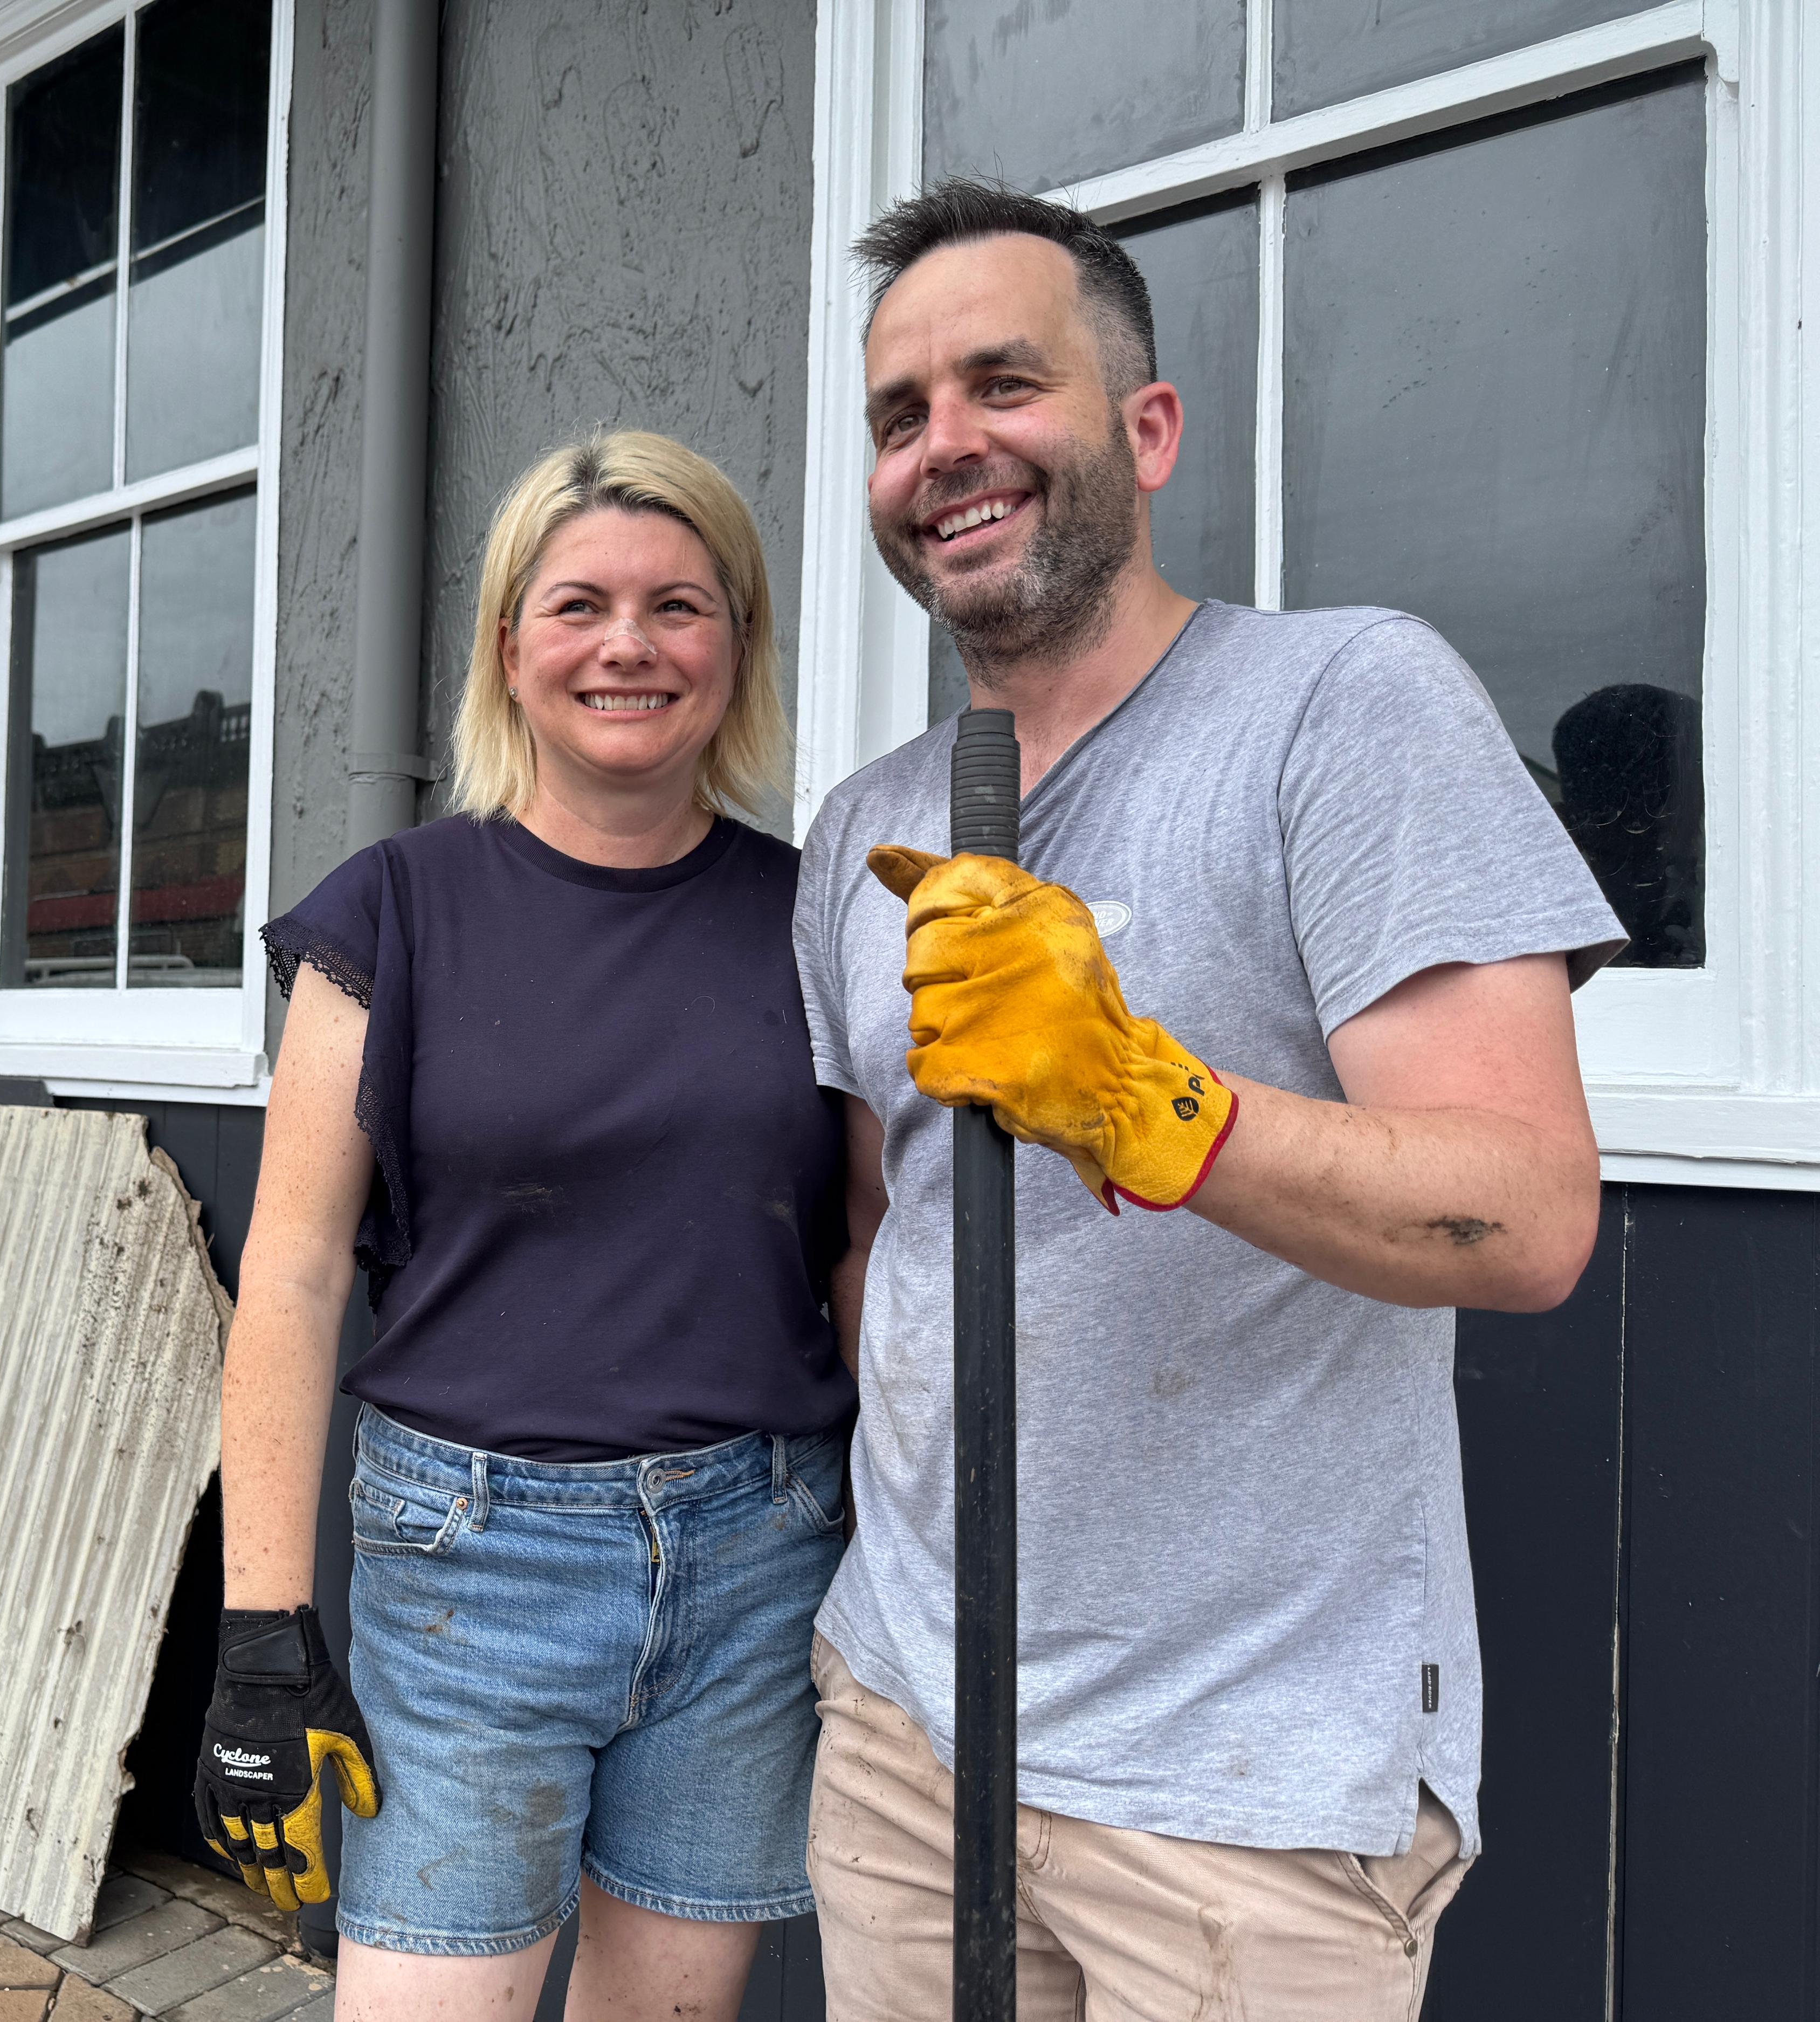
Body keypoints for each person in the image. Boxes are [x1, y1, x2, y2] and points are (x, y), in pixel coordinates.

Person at [795, 181, 1625, 2019]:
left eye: (1005, 385)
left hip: (1247, 1791)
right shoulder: (862, 834)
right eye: (899, 415)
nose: (947, 449)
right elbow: (887, 1238)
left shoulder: (1344, 706)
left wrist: (1138, 1096)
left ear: (1145, 428)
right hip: (908, 1734)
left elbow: (1529, 1211)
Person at [194, 431, 857, 2022]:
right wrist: (262, 1627)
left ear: (738, 646)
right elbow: (287, 1274)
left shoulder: (824, 914)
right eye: (580, 605)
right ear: (510, 647)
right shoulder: (390, 914)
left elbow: (864, 1257)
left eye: (680, 605)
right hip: (469, 1566)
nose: (629, 643)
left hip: (759, 1558)